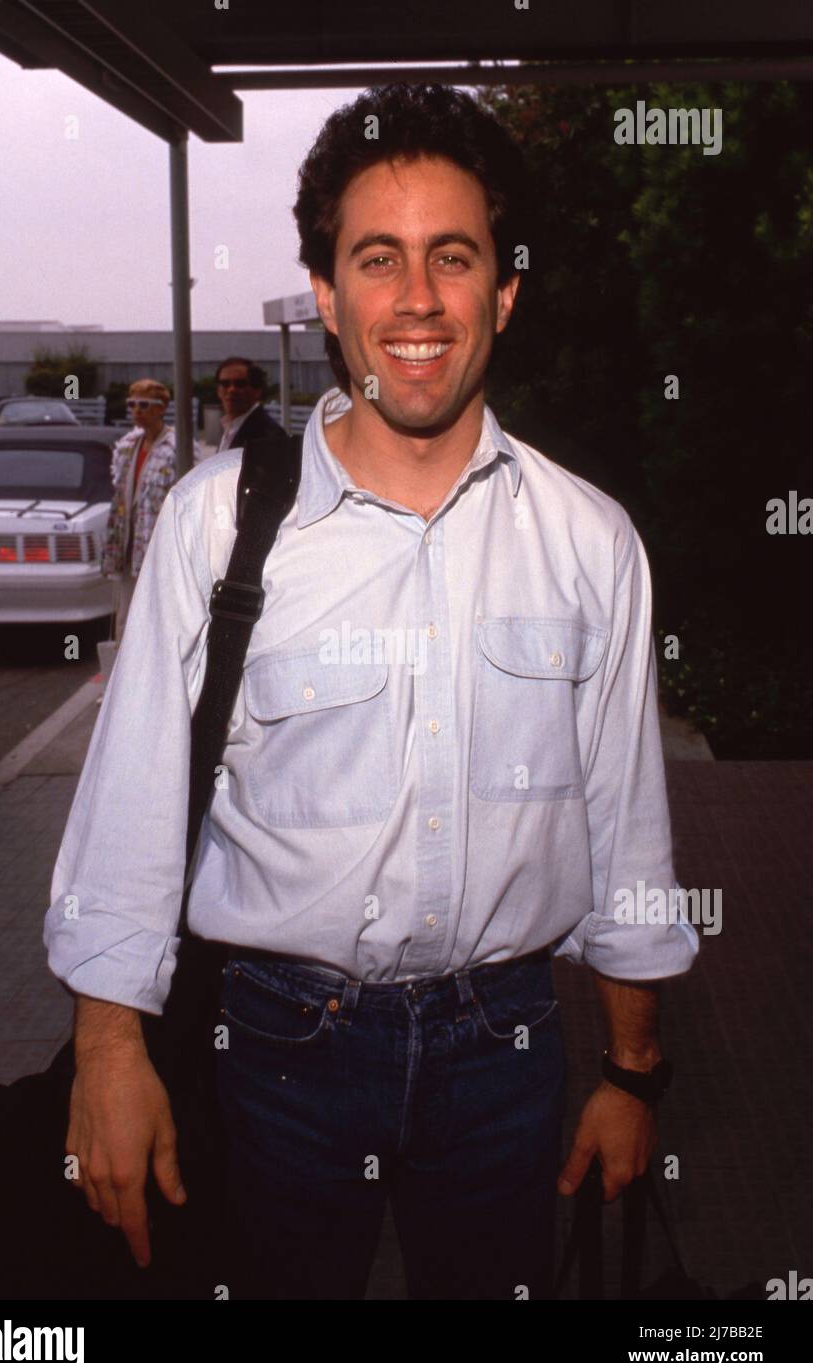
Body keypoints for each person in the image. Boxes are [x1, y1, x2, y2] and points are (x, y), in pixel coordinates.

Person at [44, 83, 700, 1300]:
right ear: (329, 293)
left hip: (507, 1056)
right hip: (277, 1054)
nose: (415, 300)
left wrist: (628, 1075)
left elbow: (627, 840)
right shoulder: (216, 527)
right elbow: (130, 806)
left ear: (502, 291)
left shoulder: (590, 542)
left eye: (452, 259)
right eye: (377, 259)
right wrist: (108, 1049)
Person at [100, 379, 200, 641]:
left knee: (159, 615)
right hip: (127, 544)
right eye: (131, 405)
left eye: (144, 405)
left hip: (160, 544)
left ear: (161, 407)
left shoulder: (178, 447)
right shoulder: (127, 446)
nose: (136, 411)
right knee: (125, 616)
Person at [213, 356, 288, 451]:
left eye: (240, 384)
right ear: (218, 391)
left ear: (257, 391)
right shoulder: (230, 428)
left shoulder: (269, 436)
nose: (231, 390)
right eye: (225, 384)